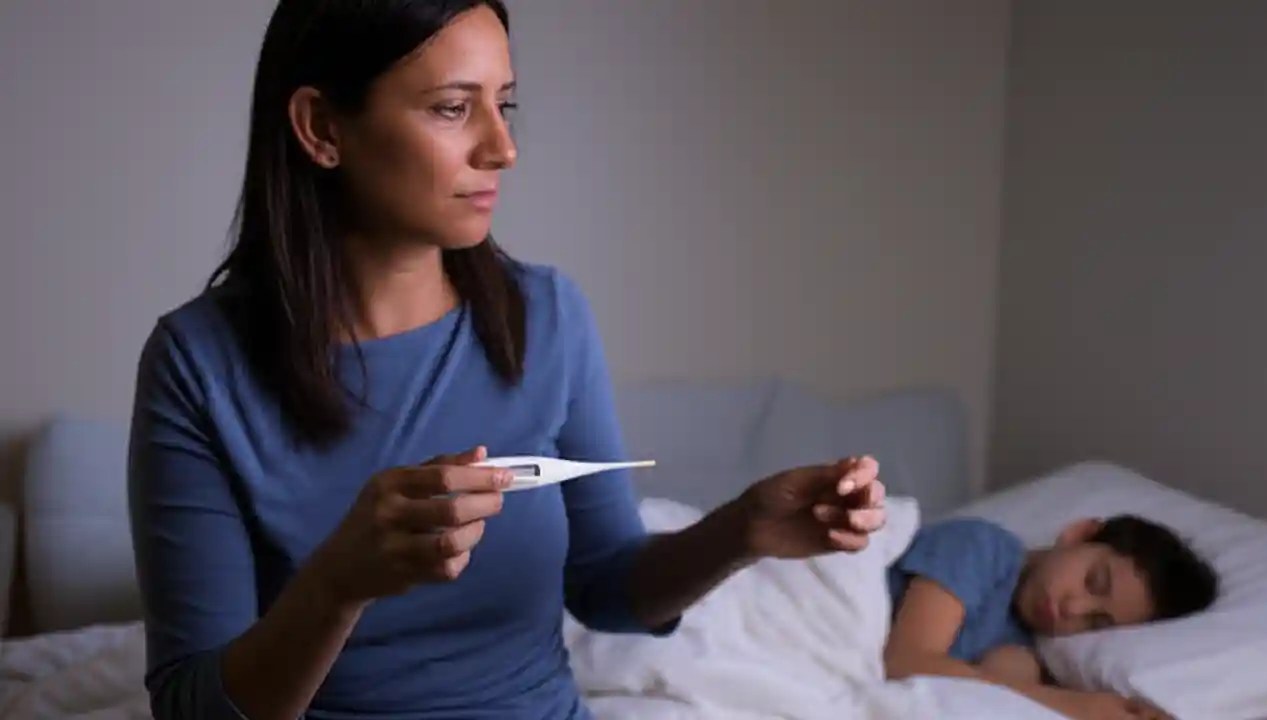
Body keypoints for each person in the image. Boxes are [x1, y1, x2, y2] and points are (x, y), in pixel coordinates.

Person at [126, 2, 888, 719]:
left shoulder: (546, 317)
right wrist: (336, 586)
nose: (503, 148)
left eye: (505, 104)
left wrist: (742, 530)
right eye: (454, 108)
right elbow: (192, 705)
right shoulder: (197, 365)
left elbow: (607, 588)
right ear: (322, 127)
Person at [882, 513, 1218, 720]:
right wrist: (1072, 705)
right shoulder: (981, 547)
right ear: (1078, 534)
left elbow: (984, 703)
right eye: (1093, 581)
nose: (1074, 610)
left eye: (1096, 623)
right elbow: (904, 660)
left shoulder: (1024, 650)